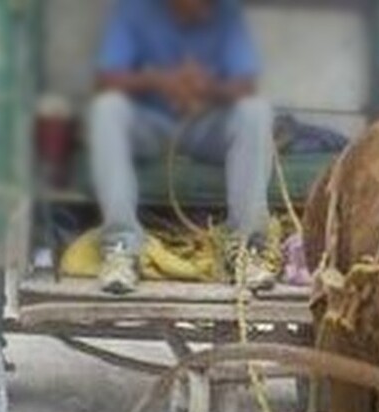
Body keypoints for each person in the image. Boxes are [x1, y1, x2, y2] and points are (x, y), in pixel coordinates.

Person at [89, 0, 275, 295]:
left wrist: (204, 86)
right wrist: (160, 81)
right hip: (153, 123)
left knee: (255, 111)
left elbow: (246, 84)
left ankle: (245, 250)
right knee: (107, 109)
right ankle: (121, 246)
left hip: (205, 124)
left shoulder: (226, 12)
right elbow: (106, 78)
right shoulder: (134, 9)